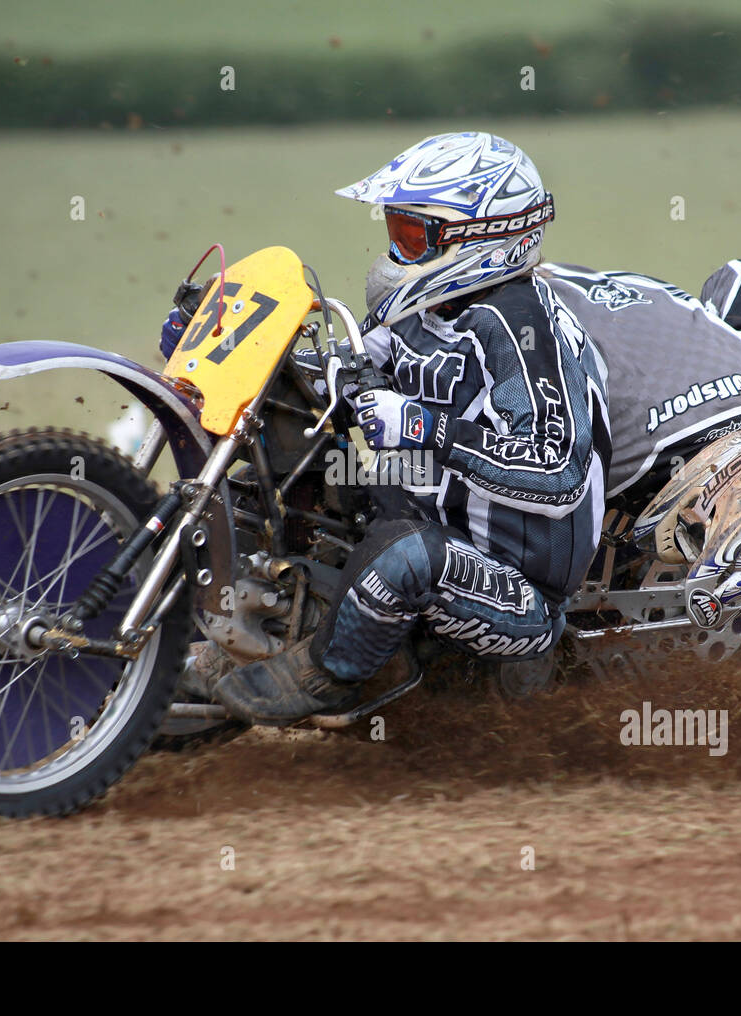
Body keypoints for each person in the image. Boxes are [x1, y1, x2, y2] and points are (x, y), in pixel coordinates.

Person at [210, 131, 613, 724]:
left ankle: (325, 677)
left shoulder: (522, 329)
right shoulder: (425, 307)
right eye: (394, 231)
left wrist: (425, 426)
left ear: (481, 240)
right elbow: (356, 367)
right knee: (292, 480)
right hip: (429, 512)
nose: (395, 251)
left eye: (410, 236)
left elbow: (557, 474)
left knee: (405, 557)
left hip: (520, 586)